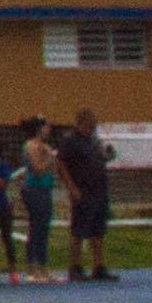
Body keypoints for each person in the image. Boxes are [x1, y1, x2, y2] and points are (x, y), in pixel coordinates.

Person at [58, 108, 117, 282]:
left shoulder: (93, 140)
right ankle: (75, 267)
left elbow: (98, 158)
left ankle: (98, 266)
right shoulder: (70, 140)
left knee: (98, 231)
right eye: (91, 120)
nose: (94, 122)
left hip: (99, 189)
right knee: (79, 230)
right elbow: (61, 164)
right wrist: (71, 188)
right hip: (83, 191)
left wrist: (108, 156)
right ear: (82, 121)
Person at [9, 121, 61, 283]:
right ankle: (32, 269)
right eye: (45, 127)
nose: (49, 129)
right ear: (38, 128)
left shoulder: (43, 146)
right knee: (36, 228)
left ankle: (43, 268)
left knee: (43, 229)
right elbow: (37, 169)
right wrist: (50, 158)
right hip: (35, 190)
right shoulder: (32, 146)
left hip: (44, 189)